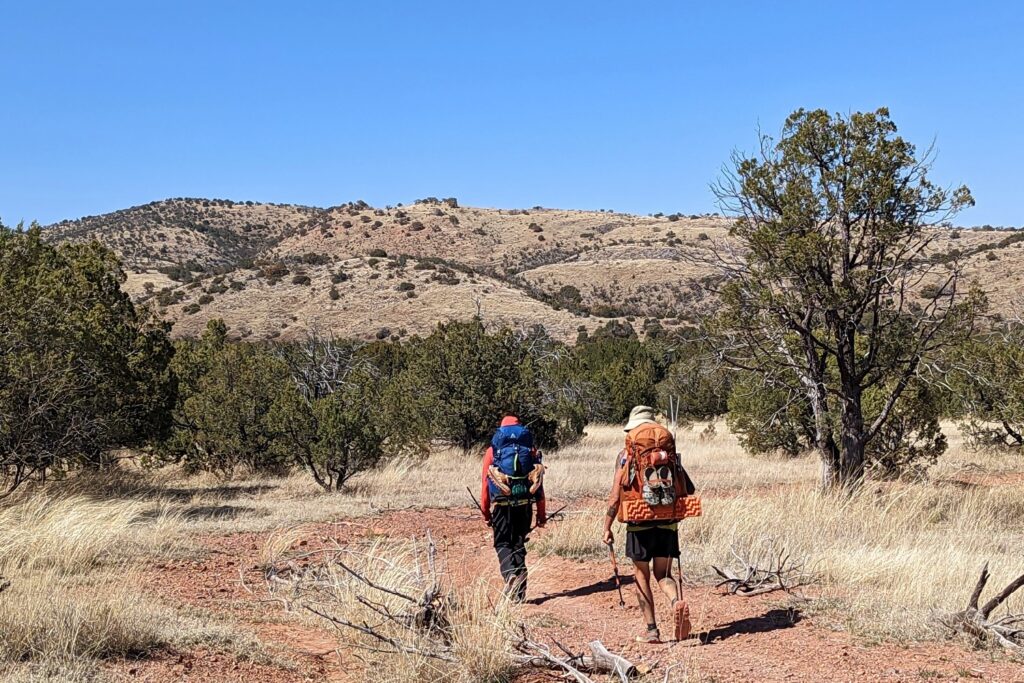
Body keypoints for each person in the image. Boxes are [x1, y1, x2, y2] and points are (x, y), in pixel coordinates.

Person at [602, 405, 691, 643]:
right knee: (663, 574)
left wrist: (607, 526)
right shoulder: (668, 452)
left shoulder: (626, 454)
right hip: (668, 520)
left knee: (641, 574)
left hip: (638, 520)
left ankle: (652, 630)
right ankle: (675, 601)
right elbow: (686, 486)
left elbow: (615, 494)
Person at [479, 415, 546, 602]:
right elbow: (539, 484)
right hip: (525, 504)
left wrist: (485, 513)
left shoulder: (493, 451)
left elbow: (485, 485)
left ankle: (510, 575)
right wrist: (541, 514)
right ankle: (520, 594)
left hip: (501, 504)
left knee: (502, 543)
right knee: (518, 543)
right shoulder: (530, 450)